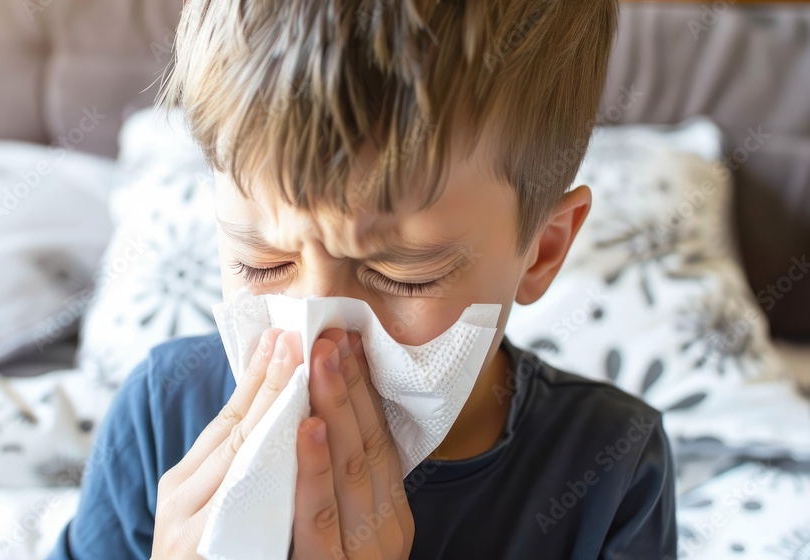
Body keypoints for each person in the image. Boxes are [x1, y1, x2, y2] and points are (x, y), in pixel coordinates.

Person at [50, 0, 676, 558]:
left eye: (403, 275)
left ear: (541, 250)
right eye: (261, 263)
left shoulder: (610, 468)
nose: (319, 342)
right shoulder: (162, 415)